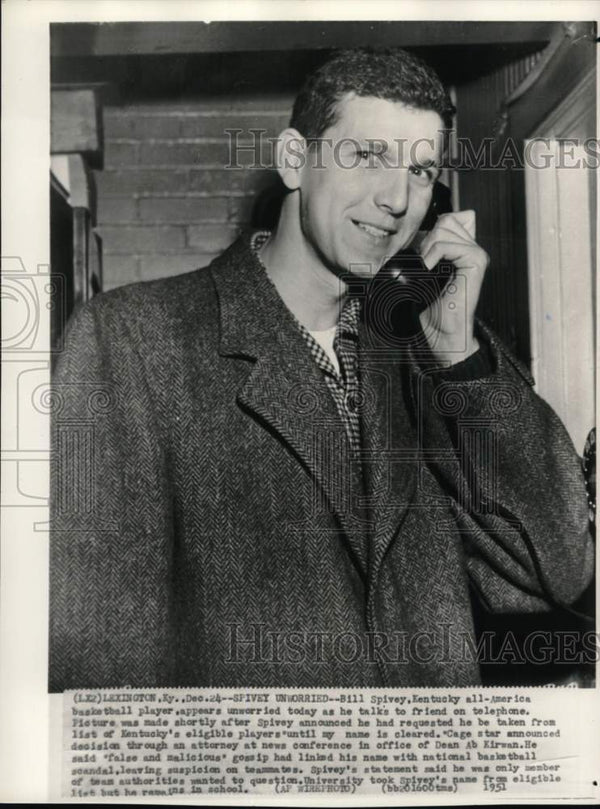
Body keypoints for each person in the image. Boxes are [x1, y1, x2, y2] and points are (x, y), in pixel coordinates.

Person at [49, 48, 594, 691]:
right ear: (293, 160)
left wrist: (461, 362)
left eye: (421, 171)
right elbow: (97, 668)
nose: (396, 199)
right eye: (367, 157)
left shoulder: (429, 354)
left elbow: (558, 569)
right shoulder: (133, 341)